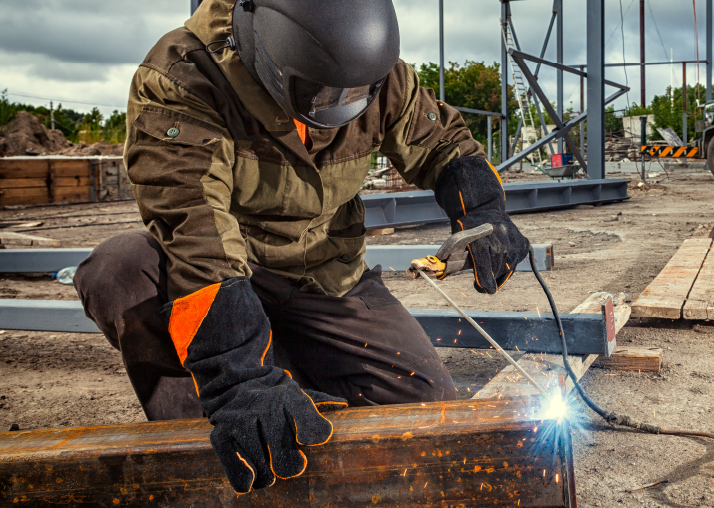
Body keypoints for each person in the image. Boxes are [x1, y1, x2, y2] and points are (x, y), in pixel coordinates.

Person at [74, 0, 530, 494]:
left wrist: (484, 210)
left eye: (354, 93)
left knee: (426, 404)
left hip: (326, 275)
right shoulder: (183, 79)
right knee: (120, 269)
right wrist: (240, 379)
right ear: (270, 52)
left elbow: (443, 144)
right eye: (320, 93)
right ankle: (208, 447)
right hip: (230, 269)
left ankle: (283, 365)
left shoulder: (373, 73)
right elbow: (196, 238)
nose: (338, 107)